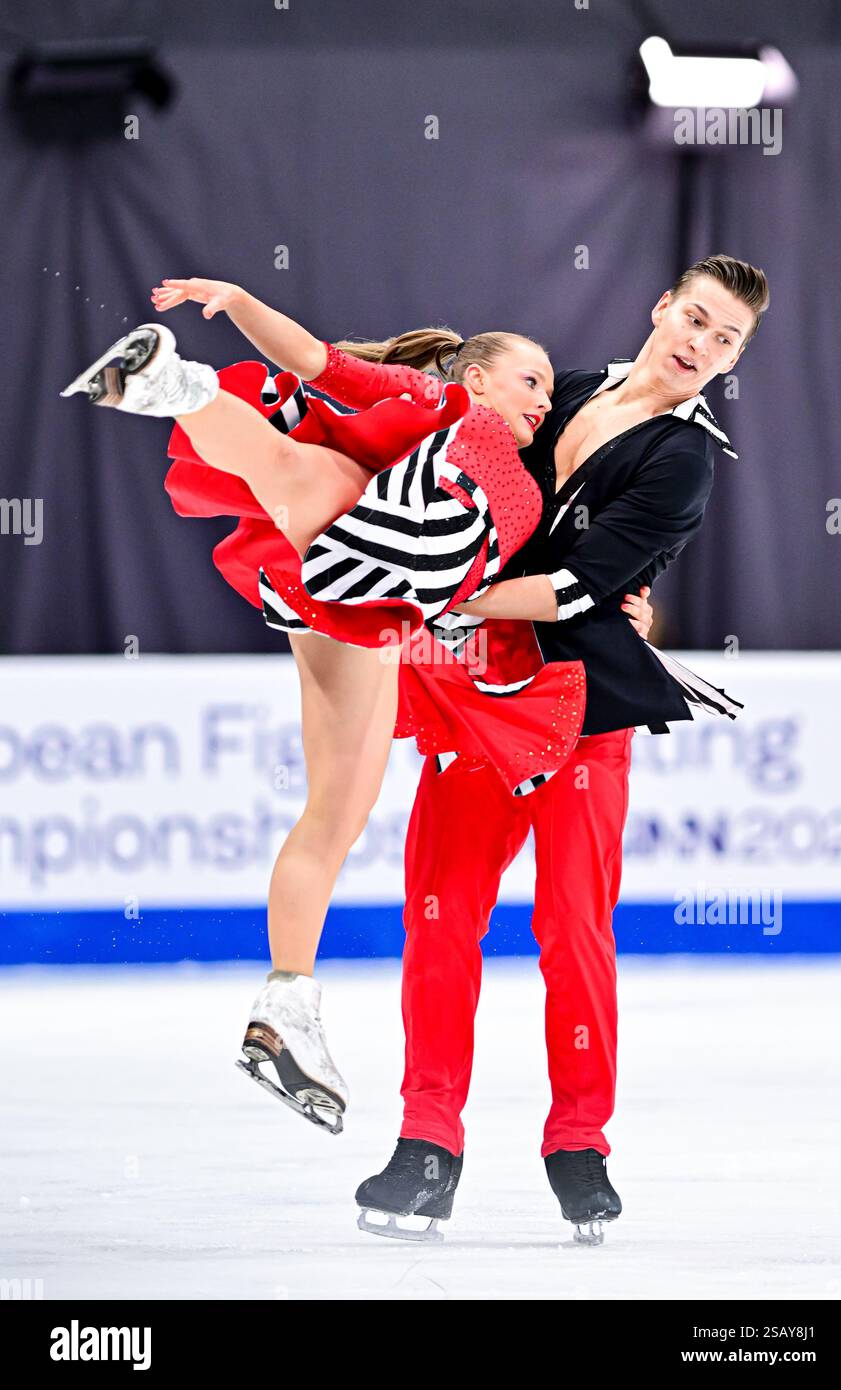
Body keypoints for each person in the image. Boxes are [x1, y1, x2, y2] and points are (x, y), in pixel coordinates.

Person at [61, 289, 652, 1134]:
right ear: (475, 379)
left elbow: (529, 588)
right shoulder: (441, 409)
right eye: (530, 380)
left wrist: (613, 607)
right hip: (355, 563)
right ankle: (175, 386)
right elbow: (316, 361)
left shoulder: (513, 482)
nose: (542, 400)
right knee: (305, 473)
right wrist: (234, 301)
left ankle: (286, 1006)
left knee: (338, 813)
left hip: (344, 607)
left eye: (550, 392)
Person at [352, 254, 767, 1244]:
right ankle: (425, 1145)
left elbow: (580, 590)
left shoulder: (680, 458)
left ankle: (577, 1144)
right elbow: (447, 469)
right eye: (695, 318)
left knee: (572, 929)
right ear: (660, 305)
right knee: (439, 918)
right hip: (474, 700)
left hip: (582, 705)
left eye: (725, 339)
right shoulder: (557, 385)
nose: (698, 345)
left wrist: (444, 596)